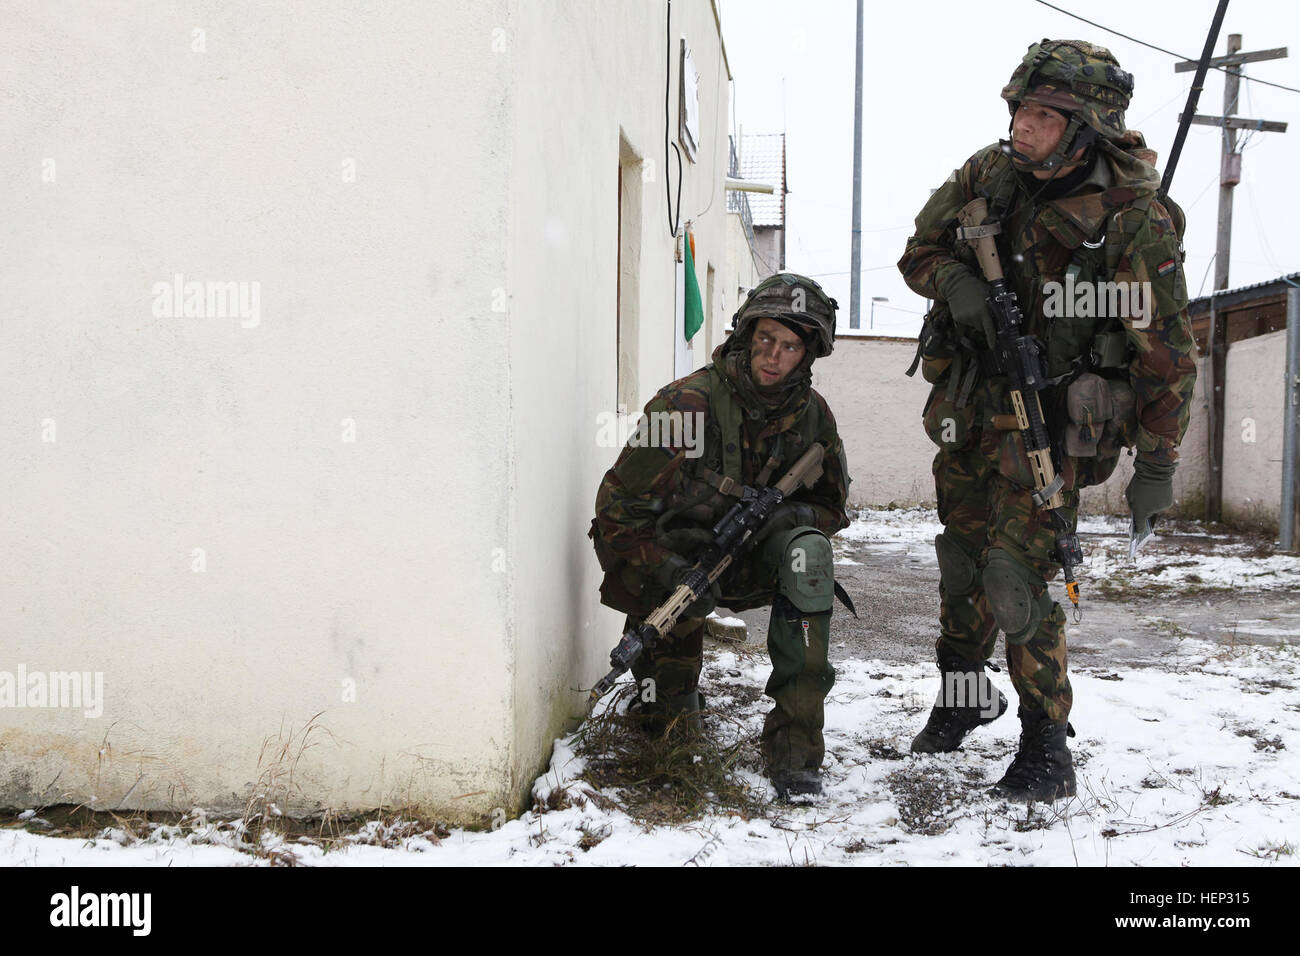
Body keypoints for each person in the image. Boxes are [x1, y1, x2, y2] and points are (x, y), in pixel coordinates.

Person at [897, 39, 1197, 802]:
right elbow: (919, 253)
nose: (1022, 125)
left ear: (1087, 125)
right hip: (971, 407)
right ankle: (964, 702)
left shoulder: (1134, 220)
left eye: (1042, 114)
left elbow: (1165, 356)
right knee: (963, 561)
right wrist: (961, 287)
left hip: (1053, 425)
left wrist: (1156, 468)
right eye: (1019, 108)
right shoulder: (989, 175)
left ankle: (1045, 745)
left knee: (1015, 575)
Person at [589, 272, 851, 797]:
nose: (773, 356)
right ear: (745, 334)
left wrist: (786, 521)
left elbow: (831, 508)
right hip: (682, 567)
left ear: (808, 355)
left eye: (790, 346)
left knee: (809, 557)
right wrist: (667, 569)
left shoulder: (812, 417)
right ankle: (661, 699)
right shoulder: (686, 405)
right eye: (765, 339)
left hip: (760, 554)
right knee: (667, 737)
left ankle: (796, 750)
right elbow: (616, 513)